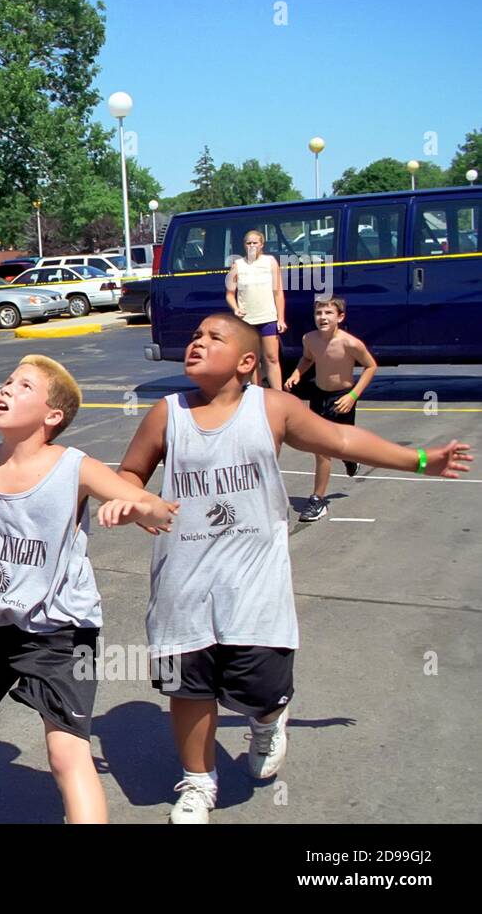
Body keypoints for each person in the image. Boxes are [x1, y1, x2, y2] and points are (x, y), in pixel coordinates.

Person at [116, 312, 471, 823]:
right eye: (195, 336)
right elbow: (130, 472)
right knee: (188, 688)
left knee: (261, 687)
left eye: (213, 338)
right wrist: (135, 501)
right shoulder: (166, 413)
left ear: (244, 362)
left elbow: (343, 441)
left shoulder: (273, 407)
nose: (197, 343)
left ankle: (266, 720)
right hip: (182, 583)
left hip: (255, 587)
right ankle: (198, 781)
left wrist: (419, 459)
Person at [0, 355, 177, 824]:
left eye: (24, 386)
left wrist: (136, 509)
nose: (6, 389)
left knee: (65, 753)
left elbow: (150, 506)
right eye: (7, 380)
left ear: (53, 415)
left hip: (60, 631)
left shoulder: (74, 467)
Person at [283, 297, 378, 521]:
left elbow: (371, 366)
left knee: (341, 445)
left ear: (340, 317)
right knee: (321, 450)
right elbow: (307, 359)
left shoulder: (350, 343)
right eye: (319, 313)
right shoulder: (310, 339)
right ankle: (318, 499)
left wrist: (352, 396)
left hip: (341, 398)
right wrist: (297, 373)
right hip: (318, 396)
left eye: (328, 313)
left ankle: (349, 458)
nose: (323, 317)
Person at [225, 229, 286, 389]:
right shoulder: (238, 265)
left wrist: (280, 318)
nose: (252, 245)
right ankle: (257, 391)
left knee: (271, 357)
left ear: (262, 244)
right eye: (248, 243)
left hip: (268, 317)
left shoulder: (270, 262)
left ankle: (278, 393)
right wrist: (236, 308)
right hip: (247, 320)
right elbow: (230, 294)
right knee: (252, 359)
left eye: (255, 242)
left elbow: (278, 292)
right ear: (244, 245)